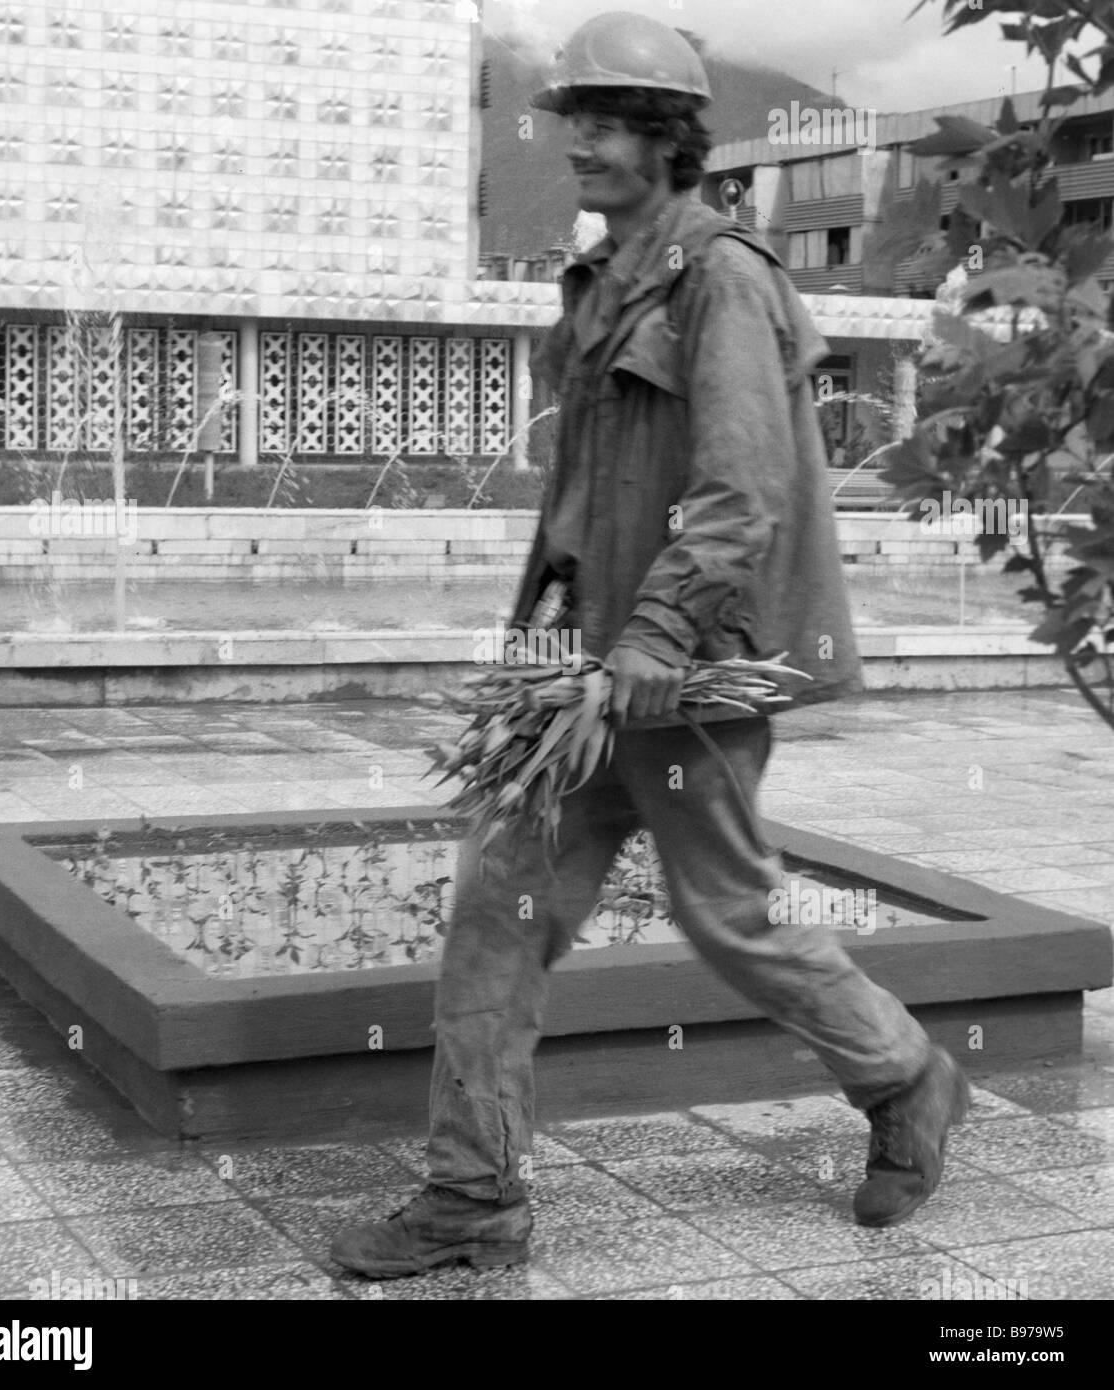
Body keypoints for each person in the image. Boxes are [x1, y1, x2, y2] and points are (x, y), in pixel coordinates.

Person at [327, 10, 969, 1281]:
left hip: (682, 679)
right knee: (495, 915)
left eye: (613, 123)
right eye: (576, 119)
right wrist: (553, 636)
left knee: (727, 916)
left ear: (674, 142)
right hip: (578, 686)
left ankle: (906, 1075)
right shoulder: (602, 274)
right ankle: (473, 1195)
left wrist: (658, 632)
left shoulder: (723, 278)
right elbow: (588, 491)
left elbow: (744, 490)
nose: (584, 144)